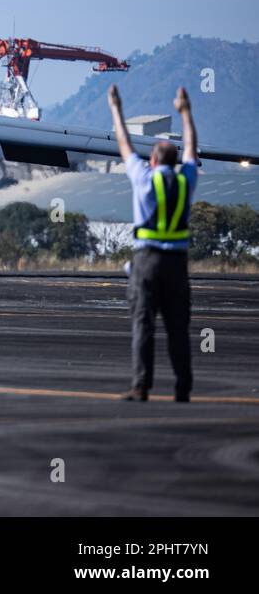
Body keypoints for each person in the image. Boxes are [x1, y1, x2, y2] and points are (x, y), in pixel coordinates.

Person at [107, 85, 198, 402]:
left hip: (146, 262)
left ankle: (141, 385)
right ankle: (183, 387)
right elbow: (191, 151)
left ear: (154, 160)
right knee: (178, 329)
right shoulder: (186, 179)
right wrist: (186, 112)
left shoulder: (144, 178)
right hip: (177, 264)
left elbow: (123, 142)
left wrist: (116, 108)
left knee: (143, 324)